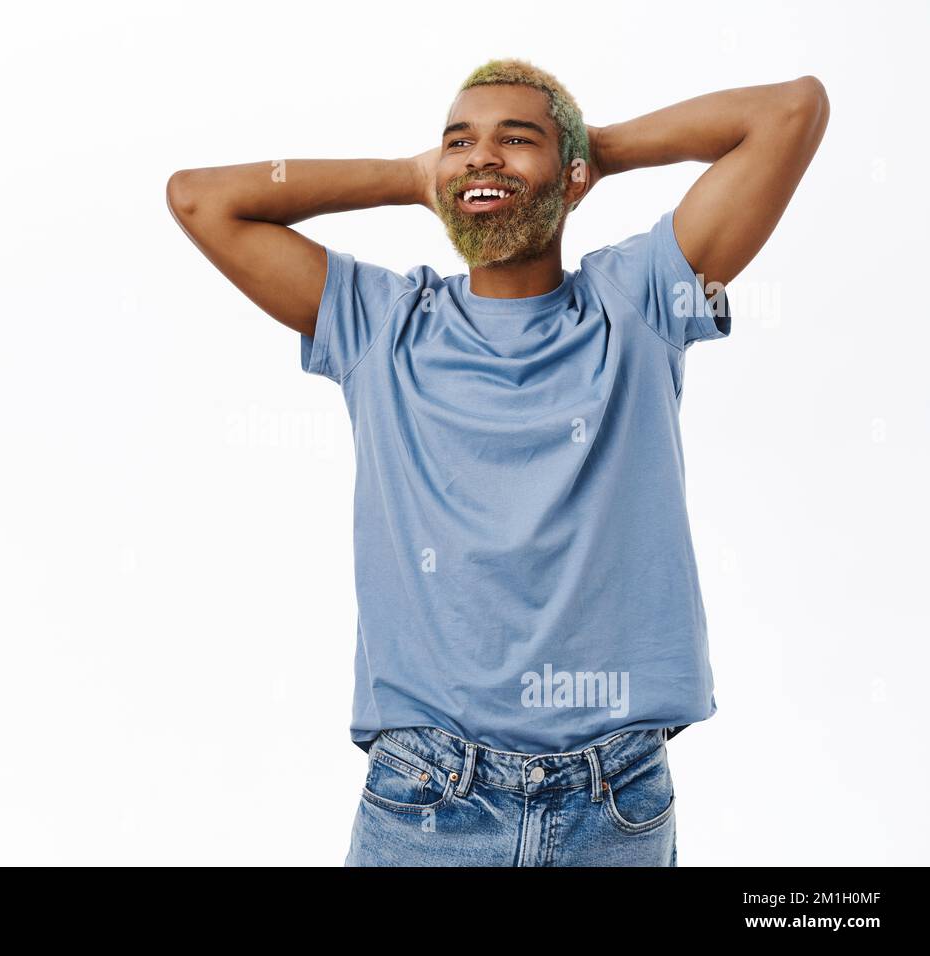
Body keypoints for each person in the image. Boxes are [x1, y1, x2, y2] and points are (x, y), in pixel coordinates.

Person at [166, 58, 828, 866]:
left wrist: (597, 150)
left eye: (517, 140)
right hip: (425, 799)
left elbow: (791, 111)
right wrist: (414, 175)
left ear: (571, 175)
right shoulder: (380, 322)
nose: (482, 156)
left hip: (611, 801)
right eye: (459, 143)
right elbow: (200, 197)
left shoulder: (643, 300)